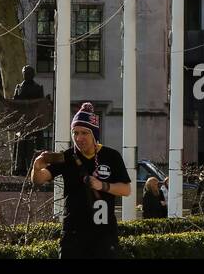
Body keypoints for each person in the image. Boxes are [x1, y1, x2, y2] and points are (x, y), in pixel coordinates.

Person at [30, 102, 132, 259]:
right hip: (73, 231)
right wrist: (36, 167)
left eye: (84, 133)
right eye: (75, 133)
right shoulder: (66, 157)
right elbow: (39, 179)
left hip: (104, 232)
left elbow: (126, 190)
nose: (79, 138)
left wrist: (102, 185)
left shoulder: (112, 156)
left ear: (94, 135)